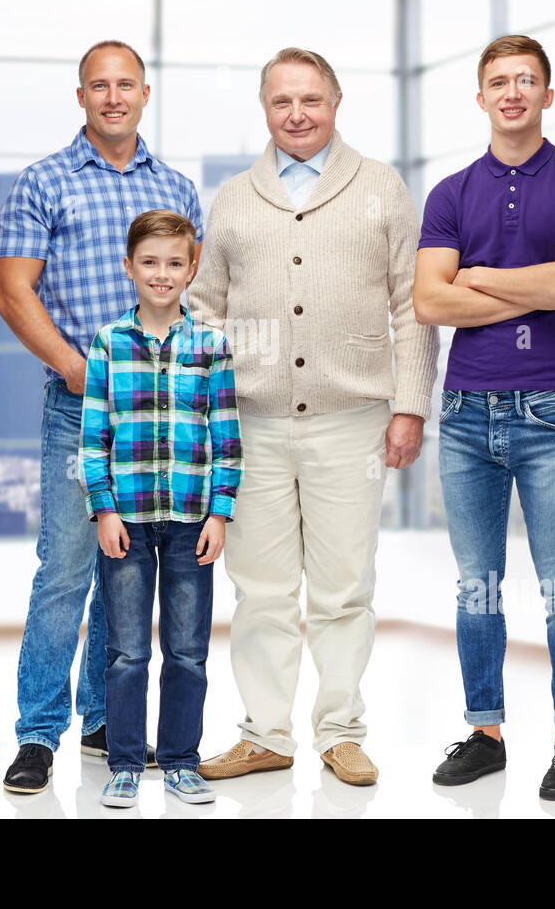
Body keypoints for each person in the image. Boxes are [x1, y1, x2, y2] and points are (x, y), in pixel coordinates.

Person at [190, 47, 439, 786]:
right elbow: (204, 305)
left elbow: (412, 304)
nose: (296, 114)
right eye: (280, 102)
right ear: (264, 109)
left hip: (353, 420)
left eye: (310, 100)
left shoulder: (382, 188)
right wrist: (206, 407)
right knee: (260, 588)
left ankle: (340, 732)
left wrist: (410, 406)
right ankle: (265, 732)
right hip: (251, 423)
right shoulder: (235, 195)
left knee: (342, 587)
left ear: (336, 101)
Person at [0, 41, 204, 793]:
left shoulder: (177, 187)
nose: (113, 97)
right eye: (98, 86)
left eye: (125, 85)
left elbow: (189, 292)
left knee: (129, 568)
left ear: (145, 93)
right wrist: (80, 371)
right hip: (76, 405)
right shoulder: (43, 183)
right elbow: (12, 291)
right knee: (65, 571)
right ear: (80, 95)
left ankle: (102, 720)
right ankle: (36, 734)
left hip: (158, 416)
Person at [413, 34, 555, 801]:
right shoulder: (452, 193)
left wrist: (484, 277)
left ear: (547, 96)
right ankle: (486, 732)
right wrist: (538, 283)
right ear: (482, 97)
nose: (513, 92)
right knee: (476, 587)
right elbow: (431, 301)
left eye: (527, 80)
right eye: (499, 81)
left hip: (550, 411)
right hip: (465, 415)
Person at [79, 210, 243, 808]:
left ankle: (179, 761)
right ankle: (124, 763)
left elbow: (226, 436)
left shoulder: (211, 346)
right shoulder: (107, 343)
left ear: (192, 268)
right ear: (129, 267)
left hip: (190, 519)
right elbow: (93, 437)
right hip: (127, 516)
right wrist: (104, 510)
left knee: (188, 650)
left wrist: (220, 512)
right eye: (150, 262)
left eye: (175, 263)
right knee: (125, 651)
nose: (162, 273)